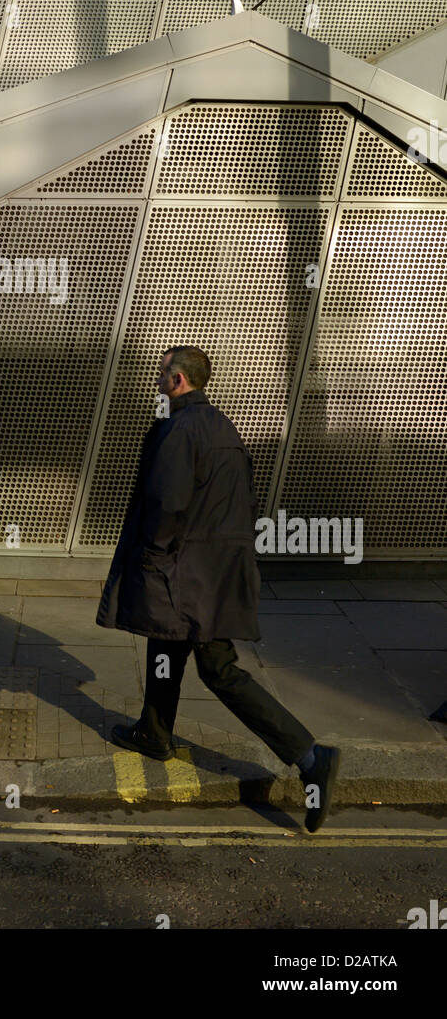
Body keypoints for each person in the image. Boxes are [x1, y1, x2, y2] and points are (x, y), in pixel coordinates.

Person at [96, 345, 340, 833]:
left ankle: (311, 757)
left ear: (180, 380)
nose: (158, 377)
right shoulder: (222, 427)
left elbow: (167, 501)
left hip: (185, 570)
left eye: (163, 371)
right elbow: (244, 501)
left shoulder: (179, 428)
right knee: (165, 639)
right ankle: (154, 731)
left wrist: (153, 552)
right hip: (210, 568)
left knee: (218, 668)